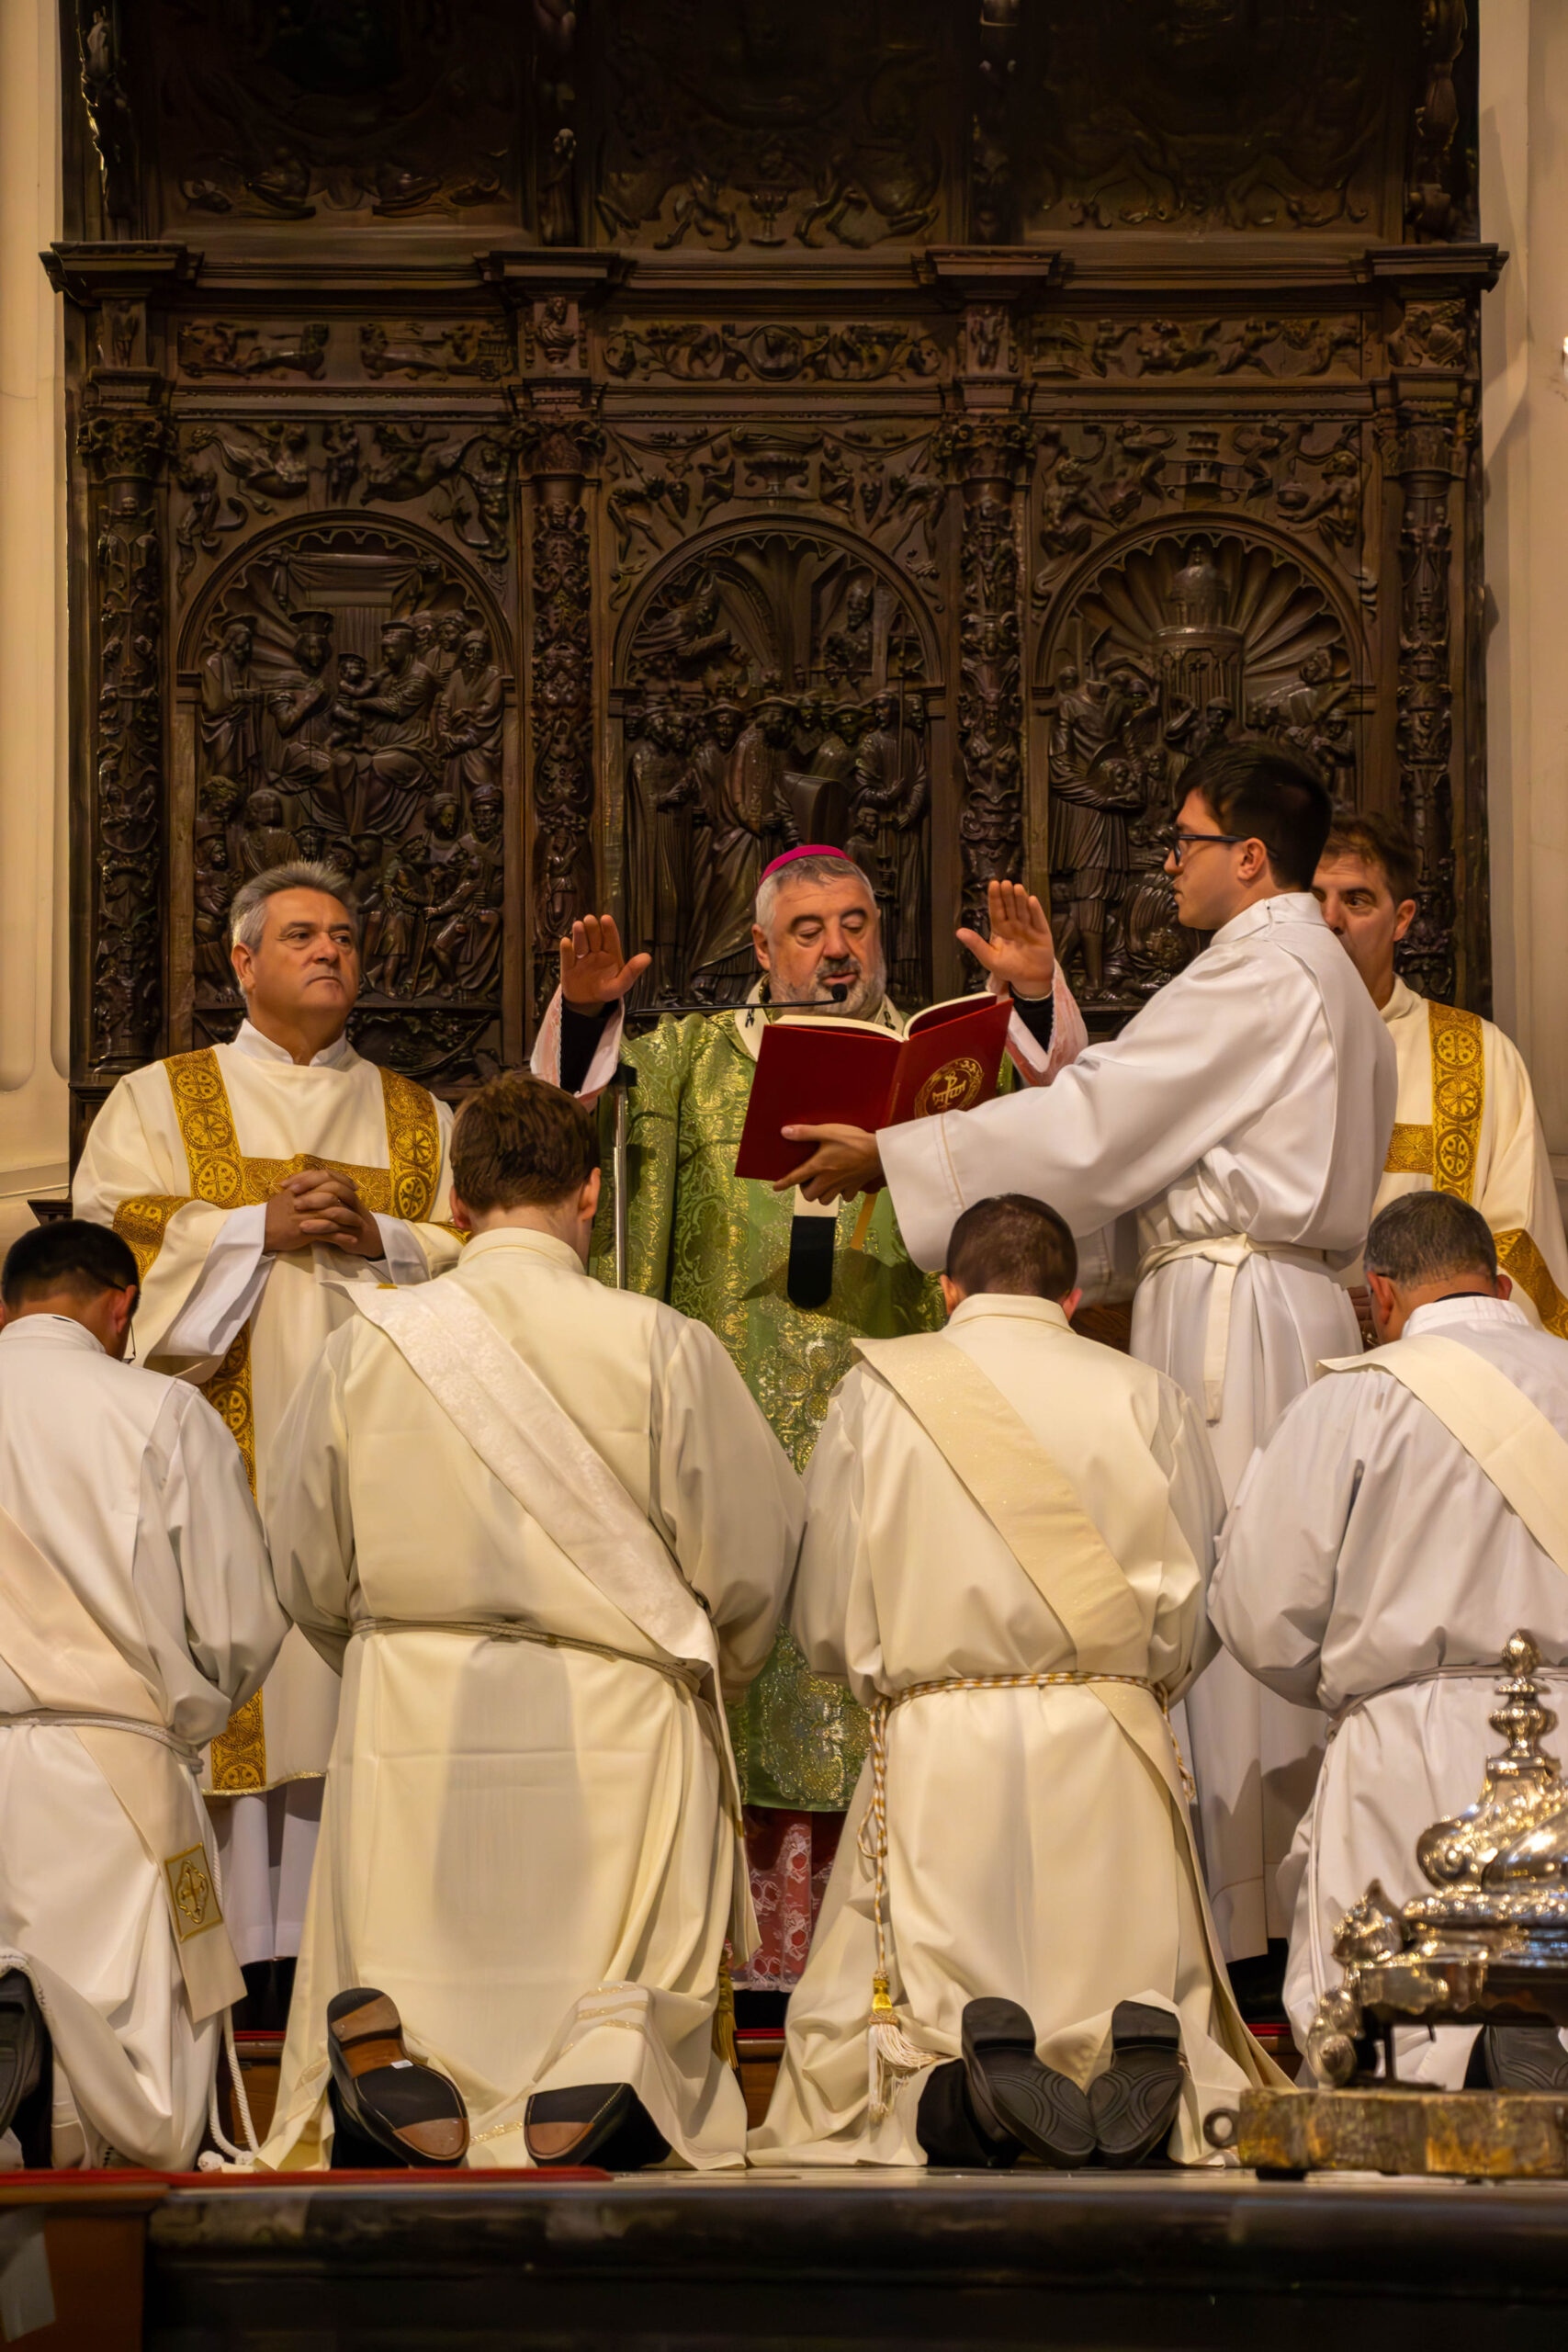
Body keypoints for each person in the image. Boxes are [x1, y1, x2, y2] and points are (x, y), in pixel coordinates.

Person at [780, 743, 1397, 1963]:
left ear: (1249, 858)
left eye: (1182, 841)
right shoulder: (1315, 974)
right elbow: (1140, 1129)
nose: (1167, 864)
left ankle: (1232, 1932)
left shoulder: (1261, 969)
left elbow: (1104, 1120)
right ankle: (1254, 1916)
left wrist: (903, 1157)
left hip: (1234, 1315)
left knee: (1223, 1594)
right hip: (1270, 1296)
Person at [531, 849, 1085, 1986]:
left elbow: (1062, 1131)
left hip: (905, 1410)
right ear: (764, 950)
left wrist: (1027, 1002)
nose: (837, 949)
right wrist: (587, 1019)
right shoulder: (686, 1059)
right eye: (810, 930)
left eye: (857, 924)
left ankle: (912, 1960)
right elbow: (579, 1128)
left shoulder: (950, 1066)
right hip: (732, 1425)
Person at [260, 1074, 802, 2170]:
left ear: (456, 1206)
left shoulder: (365, 1344)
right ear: (593, 1193)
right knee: (610, 1987)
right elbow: (752, 1557)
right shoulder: (662, 1340)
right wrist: (706, 1680)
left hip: (411, 1718)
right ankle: (598, 2072)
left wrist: (384, 1652)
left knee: (411, 1981)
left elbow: (303, 1560)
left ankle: (408, 2084)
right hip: (621, 1719)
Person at [752, 1195, 1278, 2173]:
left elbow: (825, 1610)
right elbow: (1202, 1598)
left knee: (923, 2003)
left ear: (946, 1291)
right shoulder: (1145, 1393)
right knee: (1127, 1975)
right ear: (1074, 1297)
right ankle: (1132, 2074)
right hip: (1110, 1736)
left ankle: (965, 2090)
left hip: (938, 1741)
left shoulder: (881, 1392)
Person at [73, 864, 459, 1980]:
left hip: (377, 1461)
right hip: (222, 1448)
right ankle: (242, 1977)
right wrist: (255, 1228)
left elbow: (478, 1250)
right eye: (300, 935)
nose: (329, 951)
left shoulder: (415, 1112)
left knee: (346, 1703)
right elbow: (112, 1235)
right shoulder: (160, 1096)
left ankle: (351, 1975)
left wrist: (379, 1235)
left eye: (344, 934)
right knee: (247, 1676)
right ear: (242, 961)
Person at [1210, 1191, 1568, 2089]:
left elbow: (1258, 1605)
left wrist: (1353, 1687)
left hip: (1409, 1747)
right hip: (1562, 1733)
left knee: (1386, 2030)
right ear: (1495, 1278)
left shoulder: (1355, 1400)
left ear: (1382, 1294)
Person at [0, 1221, 285, 2167]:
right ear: (121, 1306)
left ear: (8, 1305)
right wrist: (179, 1722)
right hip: (114, 1776)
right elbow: (240, 1621)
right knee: (124, 2052)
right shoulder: (157, 1409)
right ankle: (98, 2275)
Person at [1314, 811, 1568, 1335]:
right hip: (1285, 1344)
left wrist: (1418, 1308)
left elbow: (1518, 1239)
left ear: (1402, 919)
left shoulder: (1478, 1055)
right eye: (1314, 899)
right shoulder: (1251, 1047)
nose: (1331, 920)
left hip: (1436, 1360)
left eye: (1356, 900)